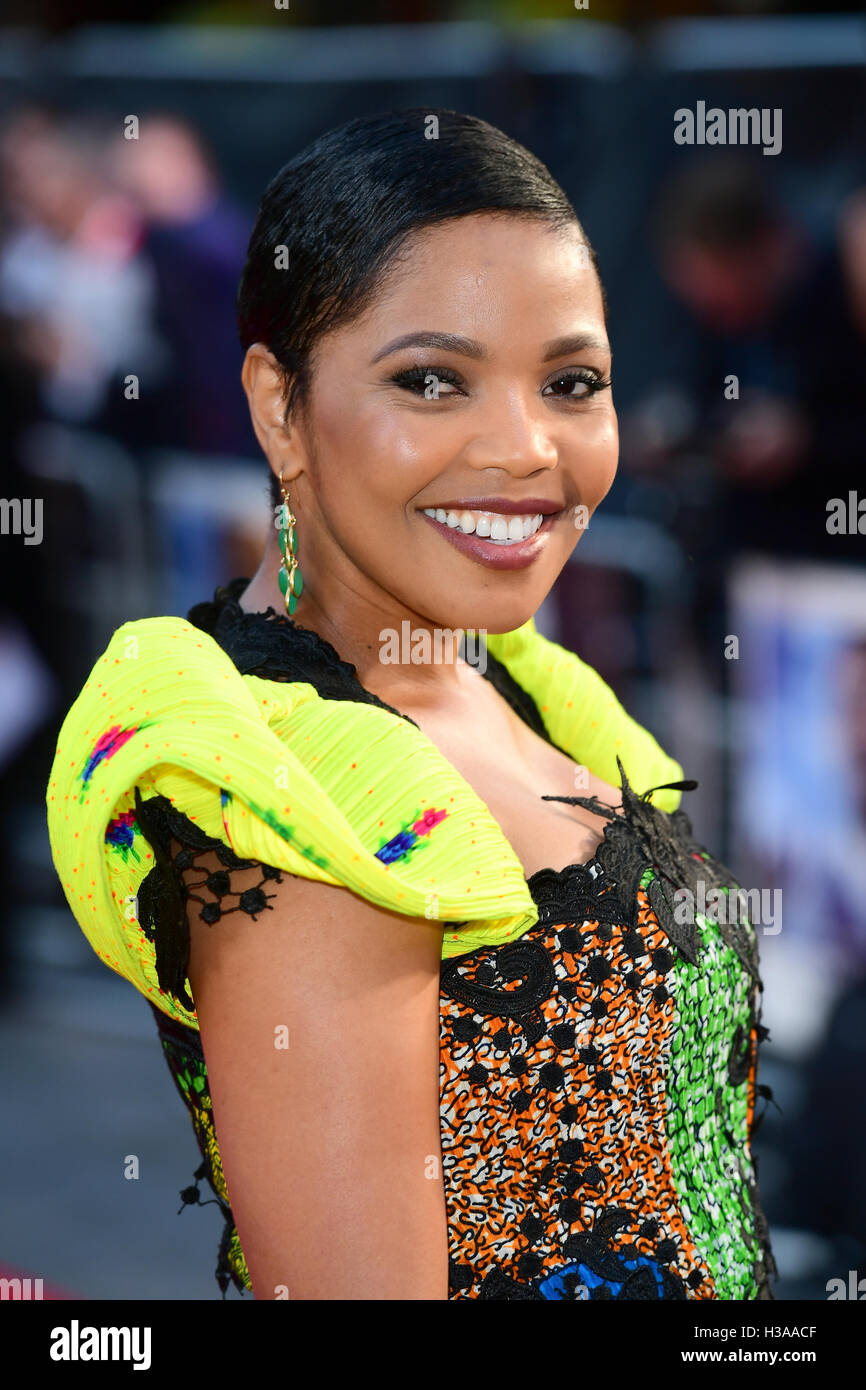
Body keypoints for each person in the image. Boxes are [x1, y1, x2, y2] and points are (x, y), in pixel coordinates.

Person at [46, 108, 775, 1301]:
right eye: (432, 380)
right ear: (278, 407)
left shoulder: (527, 683)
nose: (523, 448)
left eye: (570, 381)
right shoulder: (297, 793)